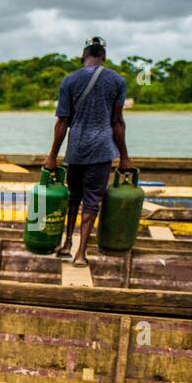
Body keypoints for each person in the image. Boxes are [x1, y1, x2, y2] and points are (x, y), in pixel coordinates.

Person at [43, 36, 133, 267]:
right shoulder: (117, 80)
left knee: (73, 198)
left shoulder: (70, 80)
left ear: (83, 57)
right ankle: (81, 254)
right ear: (103, 58)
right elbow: (117, 122)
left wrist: (52, 156)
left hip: (77, 149)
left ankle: (65, 245)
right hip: (103, 149)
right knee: (92, 201)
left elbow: (62, 122)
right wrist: (124, 157)